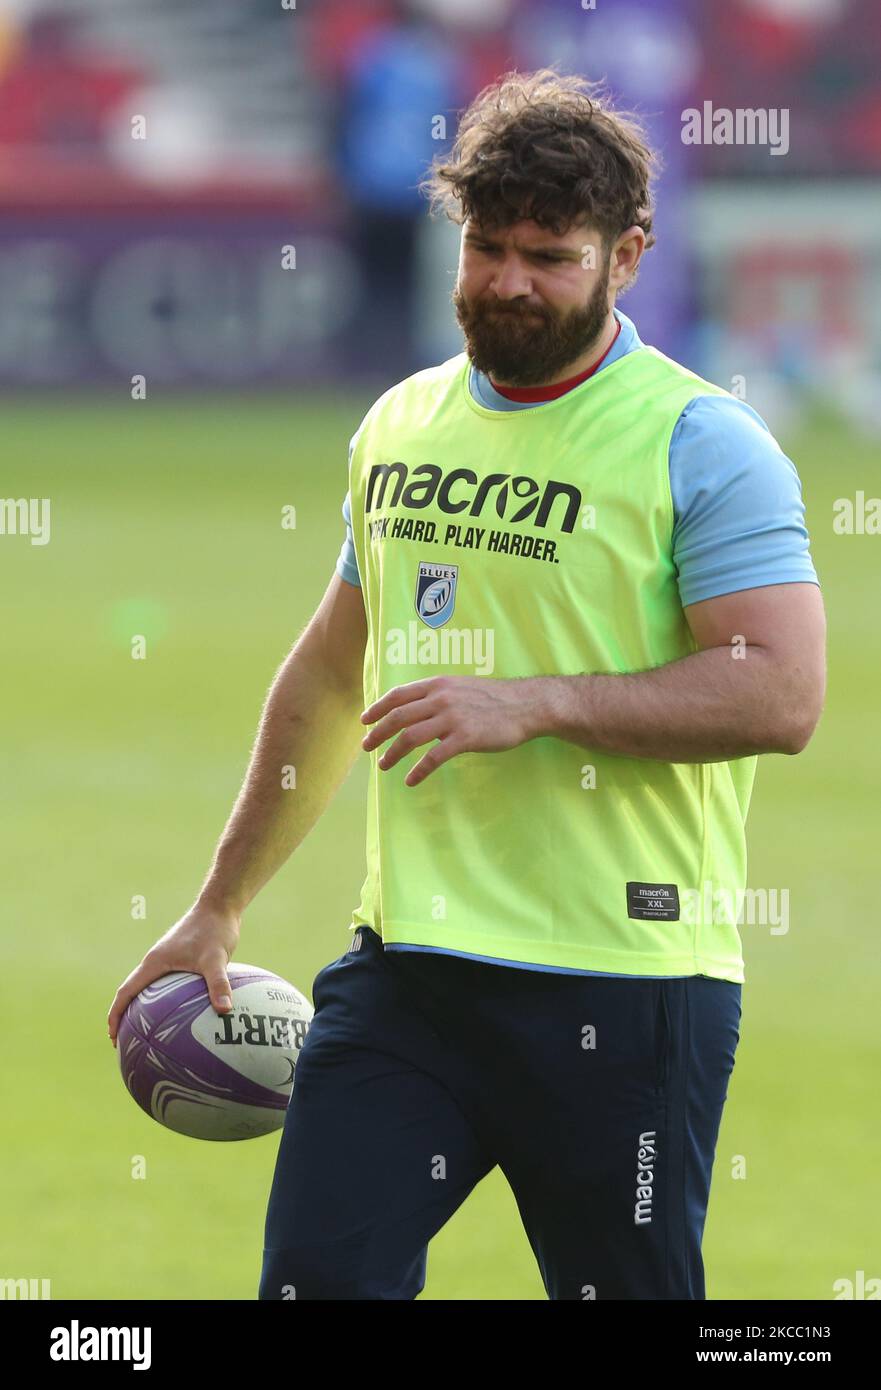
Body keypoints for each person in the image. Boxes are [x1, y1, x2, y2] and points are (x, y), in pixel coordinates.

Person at [108, 68, 826, 1300]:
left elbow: (779, 695)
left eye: (548, 255)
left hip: (626, 989)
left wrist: (534, 700)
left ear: (627, 256)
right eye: (485, 246)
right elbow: (332, 672)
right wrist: (219, 902)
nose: (505, 281)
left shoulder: (698, 442)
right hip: (409, 979)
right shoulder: (400, 423)